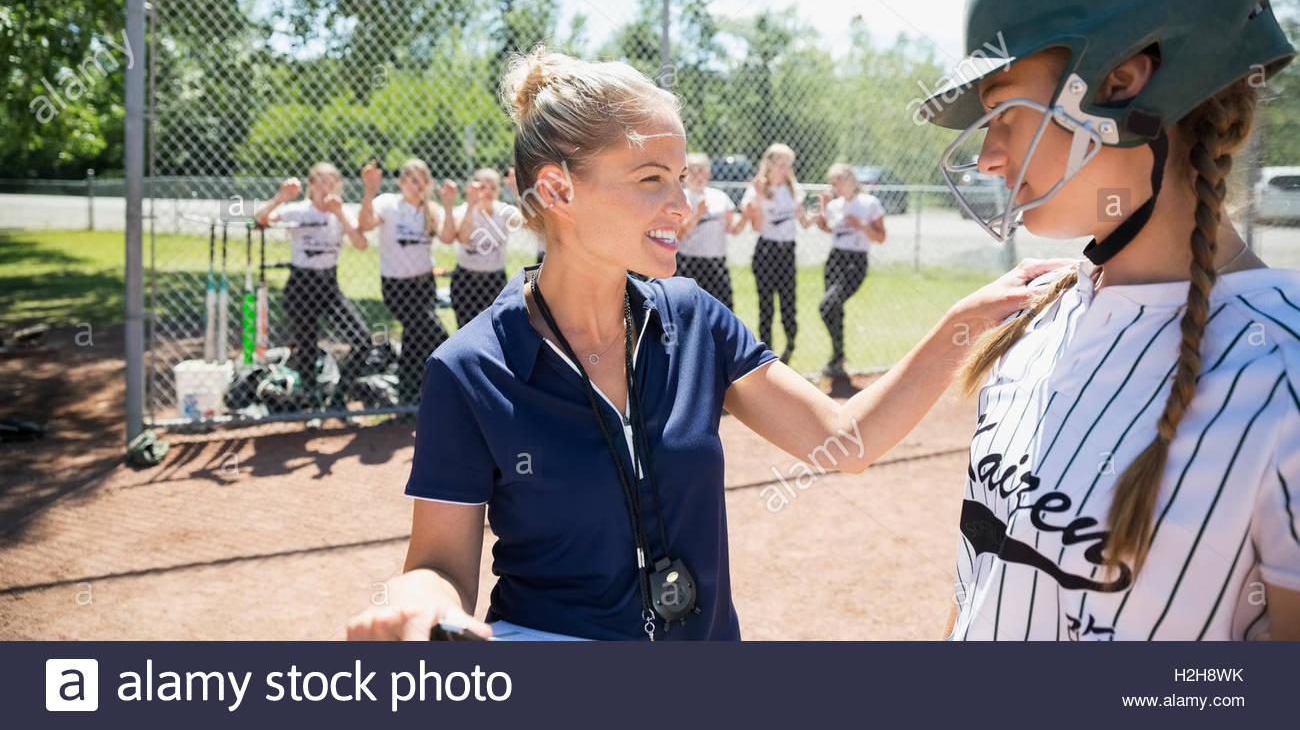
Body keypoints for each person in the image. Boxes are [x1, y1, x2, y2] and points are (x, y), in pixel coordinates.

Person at [345, 46, 1068, 642]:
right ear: (557, 192)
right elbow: (440, 565)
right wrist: (420, 602)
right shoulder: (471, 368)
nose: (682, 206)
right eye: (652, 180)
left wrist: (963, 322)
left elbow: (844, 441)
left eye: (684, 179)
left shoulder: (694, 319)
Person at [916, 0, 1300, 640]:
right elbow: (978, 597)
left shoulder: (1280, 372)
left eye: (1004, 112)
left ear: (1123, 82)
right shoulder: (1031, 328)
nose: (990, 156)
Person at [253, 162, 369, 410]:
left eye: (332, 182)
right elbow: (259, 222)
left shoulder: (341, 212)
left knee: (363, 340)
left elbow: (361, 243)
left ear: (339, 186)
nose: (327, 187)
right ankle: (313, 403)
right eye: (322, 182)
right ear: (312, 186)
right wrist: (280, 198)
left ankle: (337, 398)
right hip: (301, 284)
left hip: (329, 286)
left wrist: (339, 214)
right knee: (307, 347)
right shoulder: (299, 210)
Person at [358, 159, 457, 406]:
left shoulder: (431, 210)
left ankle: (409, 398)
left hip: (424, 286)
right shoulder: (389, 203)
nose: (418, 185)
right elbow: (365, 224)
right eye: (412, 179)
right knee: (437, 335)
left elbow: (446, 238)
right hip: (397, 287)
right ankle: (451, 390)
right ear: (402, 182)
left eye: (423, 179)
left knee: (414, 341)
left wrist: (447, 205)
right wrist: (369, 190)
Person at [814, 162, 886, 378]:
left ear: (852, 180)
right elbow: (827, 228)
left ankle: (838, 355)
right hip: (835, 259)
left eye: (839, 182)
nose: (836, 187)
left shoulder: (869, 203)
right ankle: (837, 358)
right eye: (833, 184)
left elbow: (881, 237)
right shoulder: (835, 205)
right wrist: (822, 210)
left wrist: (862, 225)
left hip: (855, 261)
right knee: (835, 310)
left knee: (827, 306)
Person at [741, 143, 812, 363]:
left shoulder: (794, 189)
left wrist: (819, 212)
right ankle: (767, 353)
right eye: (779, 163)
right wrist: (760, 197)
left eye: (787, 164)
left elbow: (805, 222)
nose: (784, 168)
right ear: (769, 164)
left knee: (789, 303)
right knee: (766, 305)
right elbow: (756, 225)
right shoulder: (756, 190)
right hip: (766, 250)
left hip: (787, 251)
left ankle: (790, 345)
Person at [442, 168, 520, 330]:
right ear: (474, 188)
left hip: (495, 280)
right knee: (466, 328)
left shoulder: (503, 211)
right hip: (466, 280)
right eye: (483, 187)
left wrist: (517, 192)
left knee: (496, 329)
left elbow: (525, 221)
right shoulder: (464, 210)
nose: (489, 192)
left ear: (499, 190)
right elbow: (463, 238)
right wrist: (472, 205)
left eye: (493, 187)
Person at [674, 152, 744, 310]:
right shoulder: (680, 197)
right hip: (688, 262)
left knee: (723, 309)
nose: (697, 175)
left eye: (701, 170)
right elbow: (678, 235)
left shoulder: (720, 197)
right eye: (692, 170)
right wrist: (698, 214)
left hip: (716, 262)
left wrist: (746, 216)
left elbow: (733, 229)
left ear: (708, 172)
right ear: (685, 174)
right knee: (687, 309)